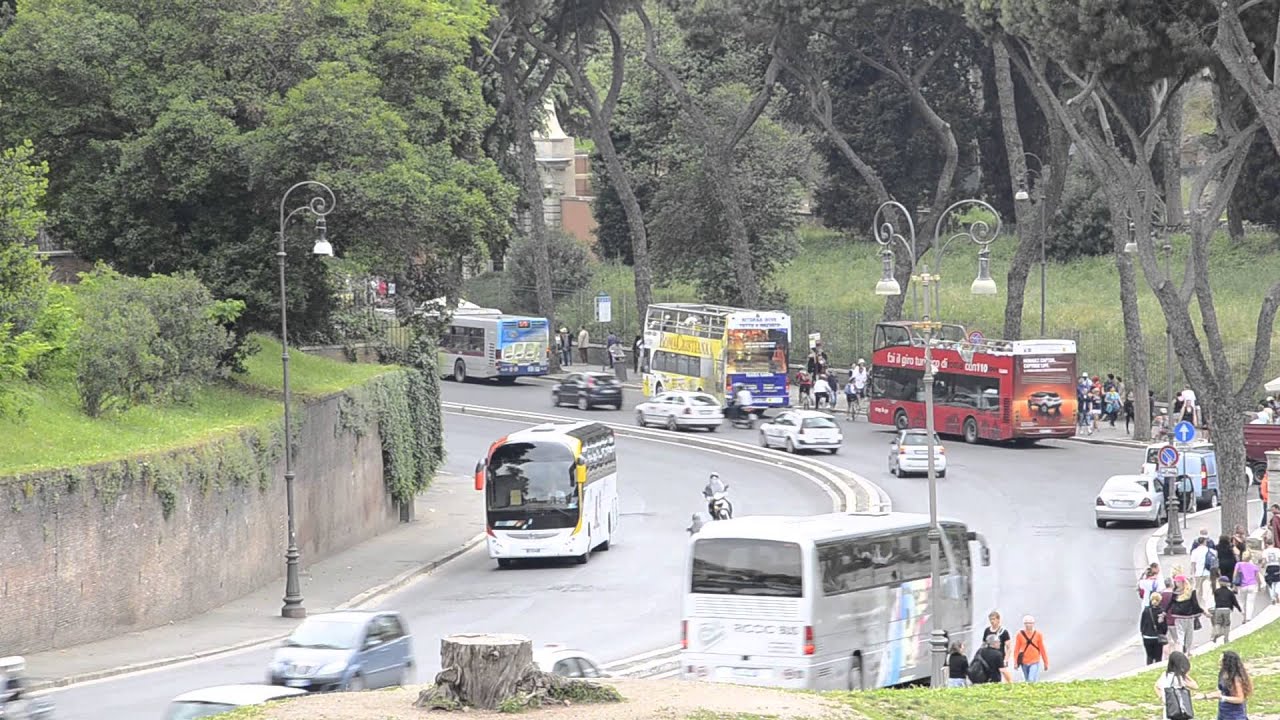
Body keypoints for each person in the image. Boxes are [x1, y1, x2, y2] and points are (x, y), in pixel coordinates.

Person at [1203, 650, 1252, 719]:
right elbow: (1221, 690)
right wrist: (1206, 696)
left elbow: (1240, 699)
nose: (1219, 661)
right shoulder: (1222, 673)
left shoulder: (1236, 678)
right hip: (1223, 712)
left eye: (1222, 659)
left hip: (1235, 715)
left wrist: (1222, 697)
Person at [1166, 577, 1209, 654]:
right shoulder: (1191, 592)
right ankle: (1186, 651)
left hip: (1179, 616)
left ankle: (1182, 651)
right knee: (1187, 635)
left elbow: (1170, 604)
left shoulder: (1176, 592)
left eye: (1177, 582)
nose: (1176, 584)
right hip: (1187, 617)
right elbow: (1195, 604)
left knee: (1182, 635)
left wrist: (1164, 612)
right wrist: (1203, 612)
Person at [1154, 651, 1198, 720]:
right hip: (1180, 711)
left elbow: (1156, 686)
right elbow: (1195, 686)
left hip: (1169, 710)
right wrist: (1186, 675)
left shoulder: (1164, 675)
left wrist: (1162, 698)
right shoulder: (1178, 679)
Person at [1013, 615, 1049, 682]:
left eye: (1030, 623)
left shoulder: (1038, 634)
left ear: (1033, 624)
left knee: (1031, 680)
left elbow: (1042, 649)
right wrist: (1015, 662)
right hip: (1024, 662)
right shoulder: (1020, 635)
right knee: (1027, 680)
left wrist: (1046, 662)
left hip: (1034, 661)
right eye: (1026, 623)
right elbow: (1016, 649)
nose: (1028, 625)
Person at [981, 610, 1013, 683]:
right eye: (990, 619)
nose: (992, 621)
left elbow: (1008, 648)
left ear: (998, 620)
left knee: (1001, 673)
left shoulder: (1004, 632)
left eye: (994, 619)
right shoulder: (987, 630)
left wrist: (1006, 659)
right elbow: (983, 644)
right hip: (989, 657)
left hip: (999, 656)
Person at [1140, 592, 1169, 665]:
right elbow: (1164, 627)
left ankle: (1148, 668)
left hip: (1147, 636)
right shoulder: (1161, 612)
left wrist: (1143, 633)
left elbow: (1142, 623)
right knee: (1158, 657)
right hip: (1157, 637)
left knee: (1149, 656)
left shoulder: (1146, 611)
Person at [1212, 576, 1242, 644]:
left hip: (1218, 609)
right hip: (1227, 609)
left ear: (1219, 583)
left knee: (1217, 623)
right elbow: (1234, 602)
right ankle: (1226, 639)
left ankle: (1217, 633)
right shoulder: (1230, 592)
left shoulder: (1216, 591)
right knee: (1227, 624)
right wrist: (1239, 609)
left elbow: (1216, 600)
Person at [1233, 550, 1262, 621]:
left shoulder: (1238, 564)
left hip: (1242, 586)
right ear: (1250, 558)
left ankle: (1243, 615)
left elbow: (1235, 575)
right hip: (1252, 585)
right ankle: (1249, 618)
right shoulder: (1254, 566)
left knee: (1241, 602)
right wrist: (1259, 585)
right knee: (1250, 602)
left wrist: (1234, 585)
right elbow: (1257, 577)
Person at [1262, 539, 1280, 604]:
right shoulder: (1277, 550)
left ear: (1266, 544)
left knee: (1270, 582)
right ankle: (1278, 593)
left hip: (1269, 567)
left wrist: (1262, 566)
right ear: (1273, 543)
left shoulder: (1265, 551)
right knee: (1278, 582)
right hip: (1277, 566)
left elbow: (1264, 561)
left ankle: (1273, 597)